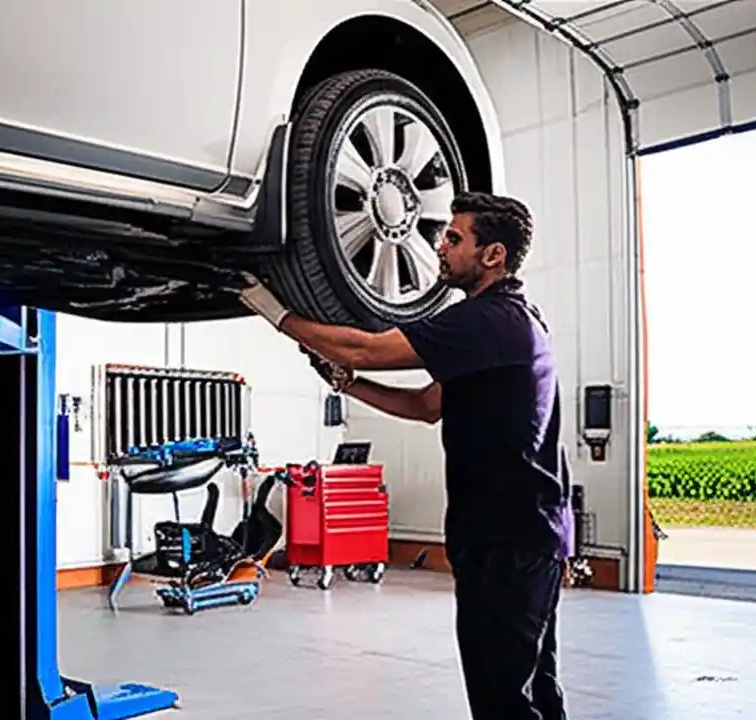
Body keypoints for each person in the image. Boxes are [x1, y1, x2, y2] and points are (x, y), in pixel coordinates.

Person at [238, 191, 569, 720]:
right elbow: (426, 405)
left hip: (509, 538)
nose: (440, 246)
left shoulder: (491, 319)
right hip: (515, 534)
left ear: (494, 256)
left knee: (502, 698)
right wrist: (352, 385)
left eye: (455, 238)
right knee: (531, 690)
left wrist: (276, 313)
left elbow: (362, 346)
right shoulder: (501, 323)